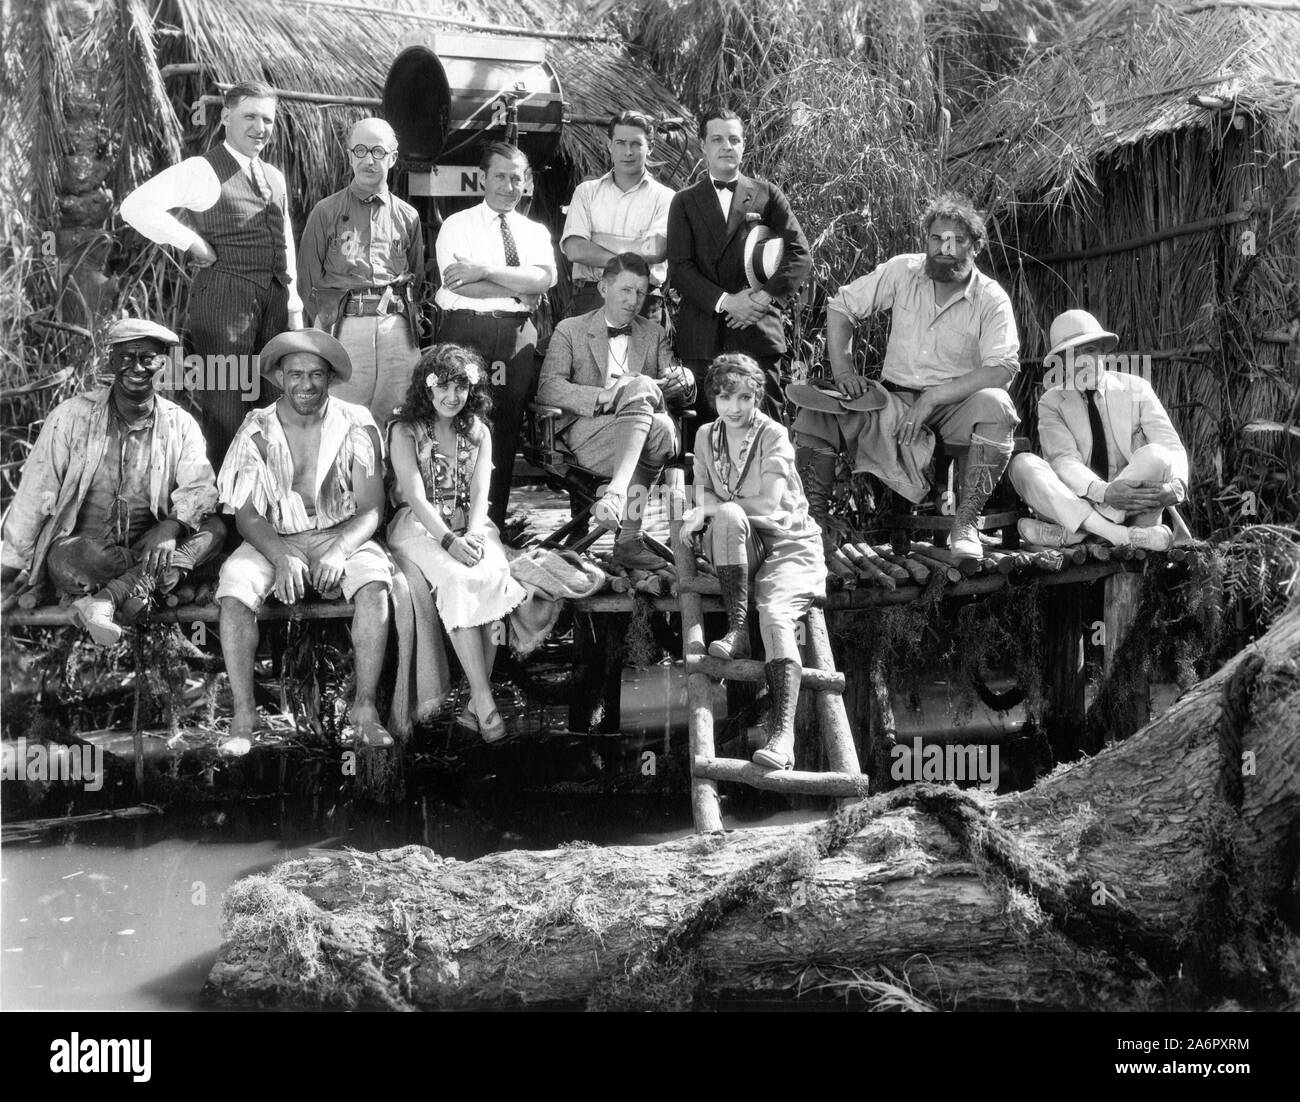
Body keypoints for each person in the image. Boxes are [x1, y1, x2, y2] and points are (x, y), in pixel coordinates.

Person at [790, 193, 1020, 563]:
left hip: (953, 407)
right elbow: (841, 306)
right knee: (816, 409)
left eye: (958, 240)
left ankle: (966, 523)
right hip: (891, 404)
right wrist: (845, 370)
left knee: (997, 405)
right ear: (926, 241)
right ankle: (813, 529)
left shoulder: (991, 297)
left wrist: (933, 398)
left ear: (976, 247)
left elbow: (1002, 368)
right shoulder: (903, 271)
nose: (945, 247)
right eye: (936, 238)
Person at [213, 329, 392, 755]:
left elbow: (370, 508)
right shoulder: (256, 428)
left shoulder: (357, 423)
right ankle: (243, 716)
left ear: (330, 377)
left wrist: (340, 548)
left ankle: (364, 711)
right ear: (279, 377)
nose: (306, 384)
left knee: (374, 584)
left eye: (315, 374)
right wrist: (279, 555)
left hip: (339, 532)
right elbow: (246, 512)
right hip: (275, 536)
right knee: (235, 588)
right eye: (295, 374)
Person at [0, 319, 224, 643]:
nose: (137, 368)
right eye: (127, 357)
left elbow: (201, 488)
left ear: (163, 363)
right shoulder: (72, 416)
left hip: (150, 544)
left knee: (215, 528)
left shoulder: (179, 424)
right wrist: (11, 563)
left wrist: (171, 528)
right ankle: (141, 584)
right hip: (86, 553)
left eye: (148, 358)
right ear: (111, 360)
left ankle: (105, 600)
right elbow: (37, 490)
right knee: (75, 557)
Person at [120, 80, 302, 466]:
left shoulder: (274, 176)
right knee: (226, 411)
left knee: (272, 407)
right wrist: (193, 244)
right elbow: (135, 206)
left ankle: (261, 504)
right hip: (224, 305)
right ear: (225, 117)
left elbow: (284, 240)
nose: (259, 127)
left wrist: (294, 304)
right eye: (249, 116)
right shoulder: (202, 170)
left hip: (273, 304)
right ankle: (222, 513)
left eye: (267, 120)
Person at [679, 354, 826, 772]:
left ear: (758, 396)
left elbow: (769, 502)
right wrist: (707, 509)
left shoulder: (774, 435)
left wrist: (709, 508)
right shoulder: (706, 436)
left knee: (777, 616)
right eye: (725, 397)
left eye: (745, 397)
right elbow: (702, 496)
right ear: (714, 399)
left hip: (787, 543)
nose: (735, 407)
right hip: (740, 544)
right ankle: (737, 629)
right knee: (726, 516)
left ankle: (783, 736)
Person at [386, 344, 526, 742]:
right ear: (426, 388)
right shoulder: (404, 429)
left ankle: (474, 705)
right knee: (454, 578)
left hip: (471, 526)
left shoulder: (478, 430)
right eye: (443, 387)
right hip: (419, 526)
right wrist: (448, 540)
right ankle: (483, 698)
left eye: (461, 388)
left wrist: (477, 534)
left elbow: (482, 490)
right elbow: (413, 493)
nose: (452, 397)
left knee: (494, 573)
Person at [537, 252, 696, 569]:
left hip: (643, 432)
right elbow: (548, 387)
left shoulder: (654, 333)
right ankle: (628, 533)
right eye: (626, 290)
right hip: (589, 435)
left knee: (659, 421)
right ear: (603, 288)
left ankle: (617, 504)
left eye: (640, 292)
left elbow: (675, 387)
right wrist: (605, 395)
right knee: (645, 399)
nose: (634, 300)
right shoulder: (570, 329)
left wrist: (686, 380)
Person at [434, 141, 557, 528]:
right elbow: (458, 286)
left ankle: (493, 526)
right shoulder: (457, 225)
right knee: (457, 421)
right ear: (483, 179)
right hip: (466, 332)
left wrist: (484, 270)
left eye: (516, 178)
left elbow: (543, 279)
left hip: (516, 337)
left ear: (527, 182)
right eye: (500, 176)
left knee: (503, 429)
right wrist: (519, 287)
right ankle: (452, 523)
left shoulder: (534, 231)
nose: (508, 186)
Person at [667, 107, 811, 418]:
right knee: (707, 434)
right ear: (703, 146)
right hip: (704, 338)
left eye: (734, 139)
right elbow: (679, 268)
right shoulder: (684, 202)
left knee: (765, 428)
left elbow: (799, 253)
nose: (726, 146)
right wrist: (726, 302)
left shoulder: (767, 195)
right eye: (717, 139)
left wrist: (762, 297)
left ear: (743, 145)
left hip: (757, 332)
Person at [1008, 310, 1184, 550]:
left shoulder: (1137, 389)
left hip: (1128, 507)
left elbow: (1170, 444)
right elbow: (1063, 460)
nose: (1082, 362)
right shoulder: (1051, 402)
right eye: (1072, 355)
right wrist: (1104, 491)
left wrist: (1177, 486)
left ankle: (1081, 533)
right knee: (1023, 464)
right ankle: (1115, 535)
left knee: (1157, 455)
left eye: (1089, 351)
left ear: (1102, 351)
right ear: (1061, 361)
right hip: (1079, 501)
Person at [297, 116, 425, 428]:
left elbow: (417, 276)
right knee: (342, 421)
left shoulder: (408, 216)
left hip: (397, 330)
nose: (369, 160)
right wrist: (331, 324)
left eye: (379, 152)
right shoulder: (325, 212)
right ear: (350, 154)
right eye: (361, 151)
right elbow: (307, 282)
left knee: (399, 419)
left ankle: (391, 477)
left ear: (393, 158)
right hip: (345, 327)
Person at [560, 110, 673, 325]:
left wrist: (598, 242)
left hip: (644, 300)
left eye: (636, 144)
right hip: (592, 297)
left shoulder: (666, 198)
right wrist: (635, 250)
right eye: (620, 142)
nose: (628, 151)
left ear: (650, 148)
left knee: (643, 360)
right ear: (610, 145)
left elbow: (657, 249)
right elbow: (575, 249)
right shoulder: (586, 192)